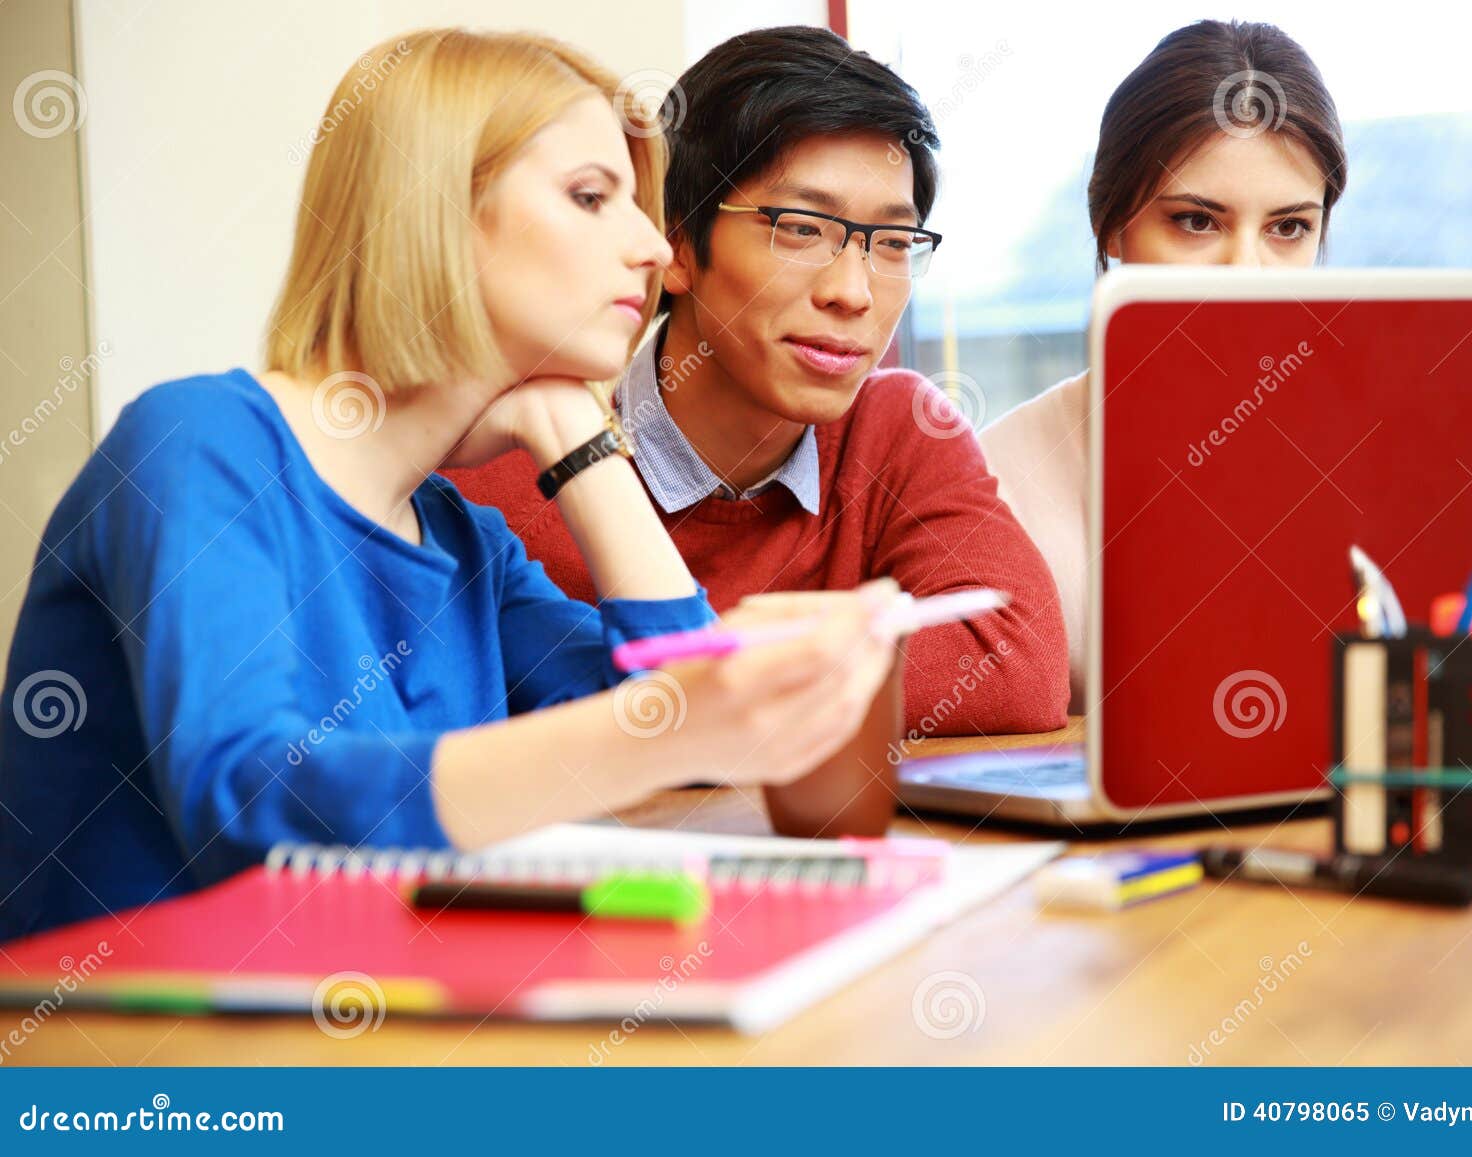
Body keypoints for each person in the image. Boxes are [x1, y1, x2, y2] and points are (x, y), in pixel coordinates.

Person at [0, 29, 898, 942]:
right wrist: (670, 727)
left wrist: (580, 442)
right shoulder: (199, 444)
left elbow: (690, 736)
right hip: (137, 1026)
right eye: (592, 197)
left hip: (380, 1007)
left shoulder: (464, 540)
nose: (649, 246)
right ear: (431, 213)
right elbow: (253, 810)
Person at [447, 26, 1071, 737]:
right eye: (801, 228)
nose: (853, 293)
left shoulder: (897, 430)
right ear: (675, 244)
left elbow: (1016, 665)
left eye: (894, 242)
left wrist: (733, 675)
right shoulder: (502, 474)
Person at [980, 19, 1348, 708]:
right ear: (1111, 225)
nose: (1245, 275)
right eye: (1197, 221)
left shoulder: (1387, 459)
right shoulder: (998, 483)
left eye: (1289, 227)